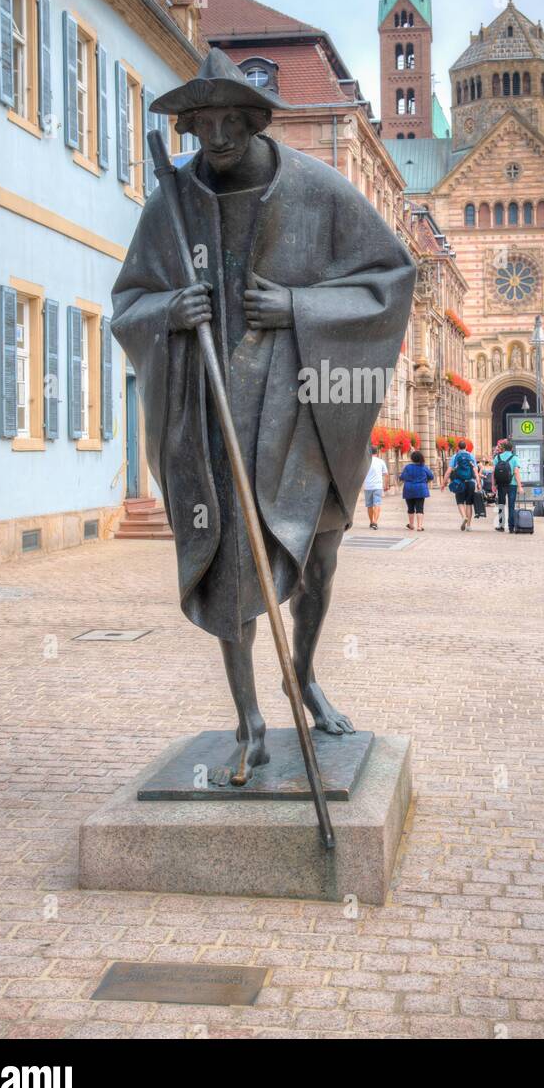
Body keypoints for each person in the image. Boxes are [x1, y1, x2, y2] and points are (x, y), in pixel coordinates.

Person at [111, 47, 415, 782]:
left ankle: (300, 675)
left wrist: (298, 307)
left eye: (227, 121)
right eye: (200, 123)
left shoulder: (316, 188)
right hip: (214, 410)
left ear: (251, 120)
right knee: (231, 565)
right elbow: (129, 302)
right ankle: (249, 718)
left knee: (319, 556)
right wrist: (171, 314)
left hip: (302, 409)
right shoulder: (172, 198)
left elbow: (390, 278)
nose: (213, 137)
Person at [441, 439, 480, 530]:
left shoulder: (455, 456)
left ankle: (464, 517)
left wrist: (444, 483)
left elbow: (448, 471)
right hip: (470, 482)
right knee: (469, 503)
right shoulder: (471, 456)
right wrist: (478, 483)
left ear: (458, 447)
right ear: (466, 447)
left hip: (459, 482)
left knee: (460, 502)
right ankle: (469, 526)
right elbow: (475, 471)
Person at [399, 448, 434, 531]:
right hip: (421, 489)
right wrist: (426, 481)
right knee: (420, 508)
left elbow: (402, 477)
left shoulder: (408, 467)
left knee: (410, 508)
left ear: (412, 459)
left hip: (409, 489)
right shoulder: (424, 467)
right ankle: (419, 526)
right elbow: (431, 476)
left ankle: (411, 525)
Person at [493, 437, 524, 532]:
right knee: (511, 505)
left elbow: (494, 472)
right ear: (511, 449)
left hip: (501, 484)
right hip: (512, 484)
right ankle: (511, 527)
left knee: (501, 504)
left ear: (503, 448)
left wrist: (494, 485)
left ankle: (501, 526)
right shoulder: (515, 458)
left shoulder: (497, 458)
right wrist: (520, 486)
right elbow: (516, 472)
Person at [364, 444, 389, 529]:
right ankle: (375, 522)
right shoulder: (381, 461)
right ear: (377, 452)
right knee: (377, 504)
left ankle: (371, 522)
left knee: (369, 505)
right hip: (378, 486)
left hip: (368, 486)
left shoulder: (365, 462)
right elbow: (386, 474)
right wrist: (386, 485)